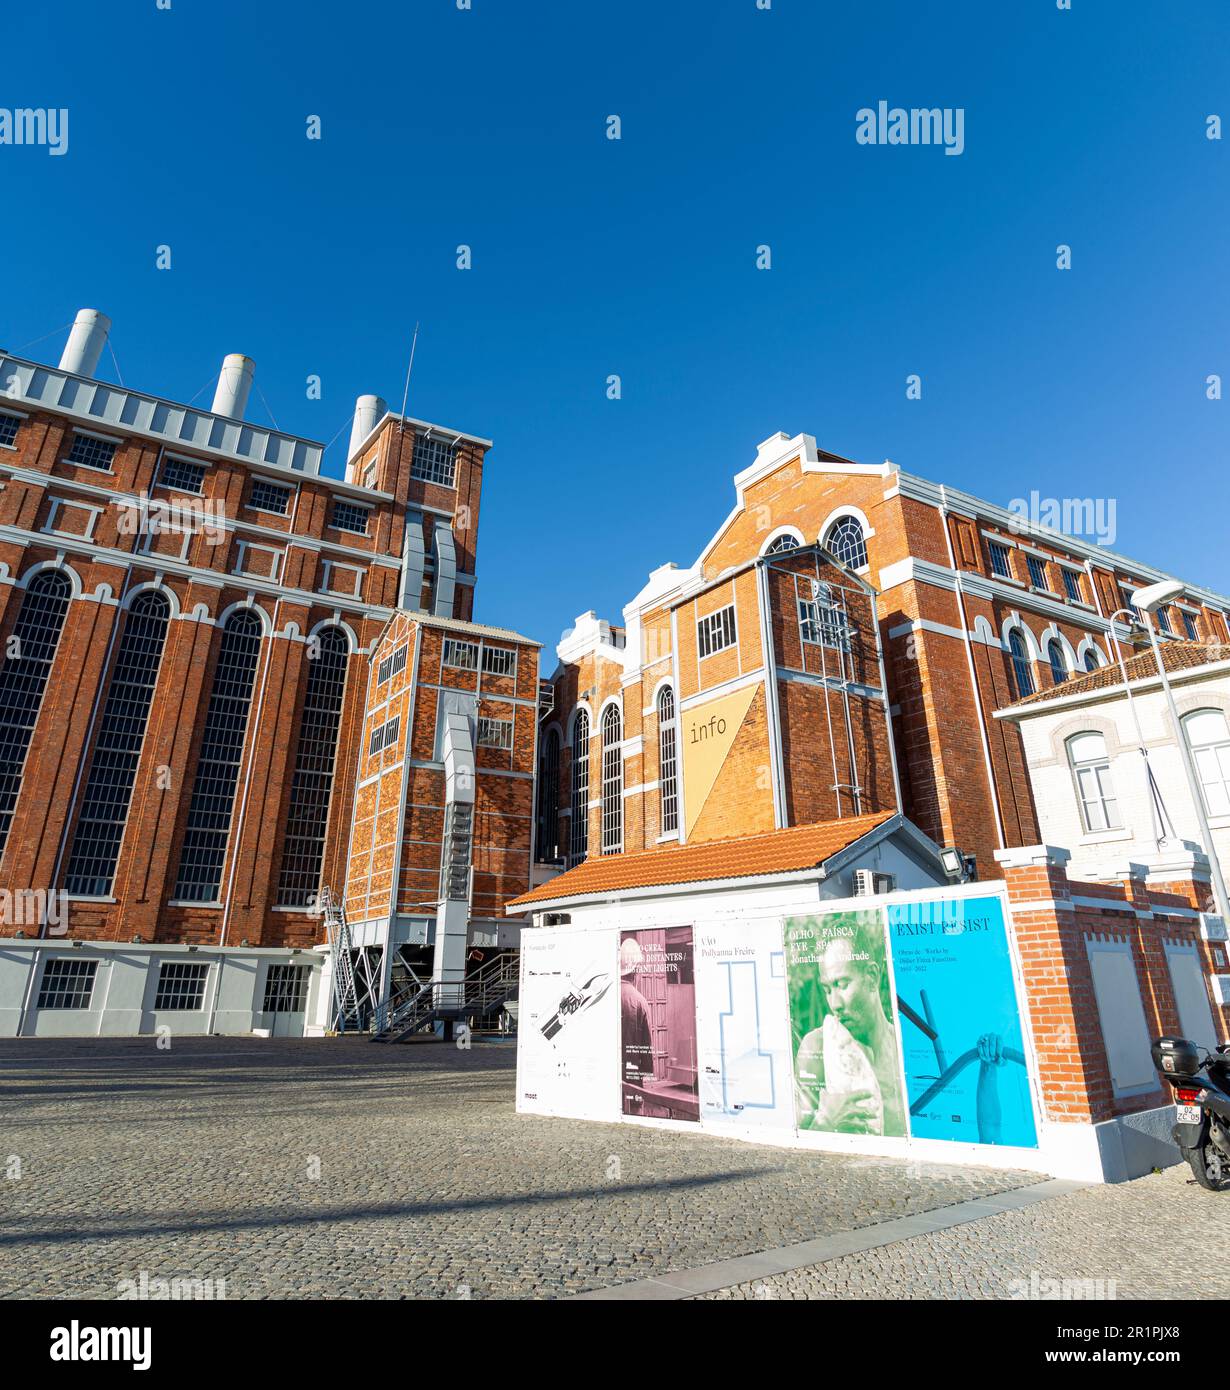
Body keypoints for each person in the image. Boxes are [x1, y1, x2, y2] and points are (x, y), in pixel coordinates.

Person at [795, 930, 906, 1136]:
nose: (834, 1004)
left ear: (872, 977)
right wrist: (826, 1122)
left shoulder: (903, 1046)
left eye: (842, 985)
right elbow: (795, 1148)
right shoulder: (816, 1047)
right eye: (827, 990)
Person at [620, 938, 653, 1092]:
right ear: (636, 971)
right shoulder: (640, 1001)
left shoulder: (603, 996)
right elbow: (646, 1045)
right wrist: (646, 1068)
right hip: (632, 1076)